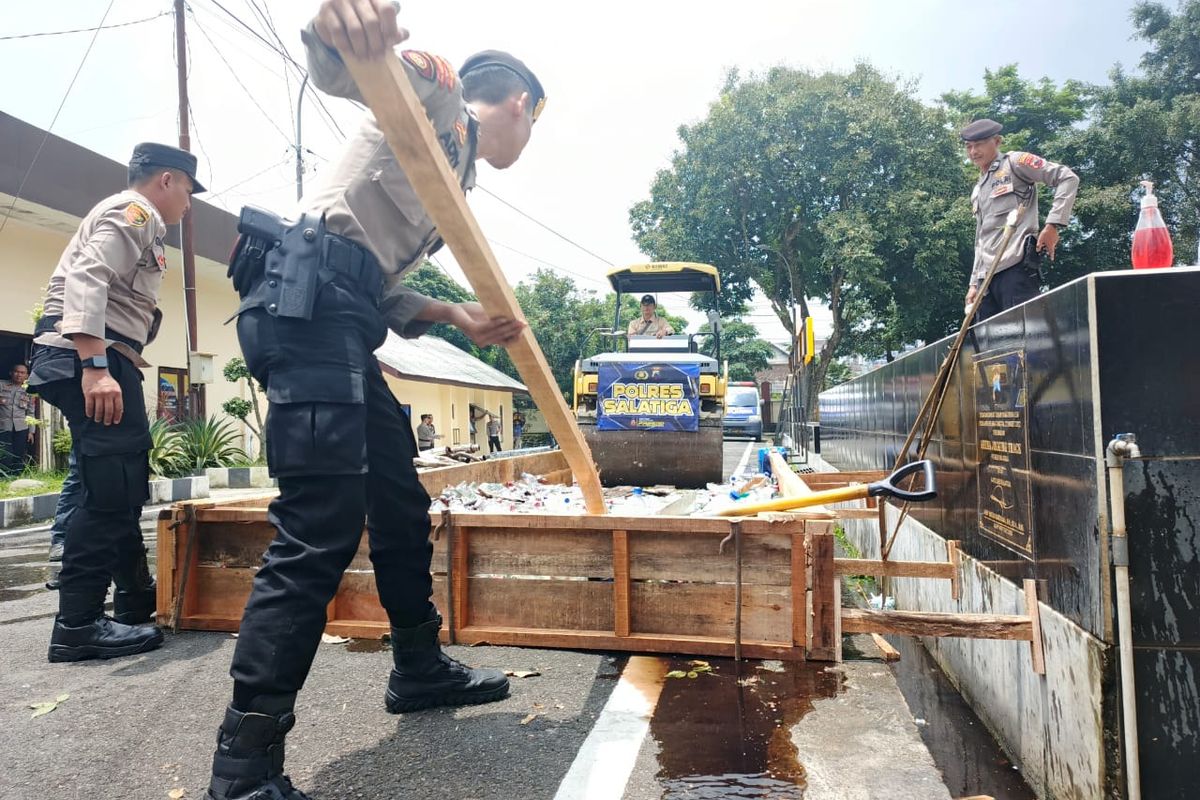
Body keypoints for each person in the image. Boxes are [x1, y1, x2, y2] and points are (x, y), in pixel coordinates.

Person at [206, 3, 543, 797]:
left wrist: (454, 314)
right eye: (534, 123)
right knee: (319, 528)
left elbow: (376, 280)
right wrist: (336, 31)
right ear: (521, 104)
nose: (528, 137)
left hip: (343, 315)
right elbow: (356, 67)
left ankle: (418, 668)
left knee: (397, 501)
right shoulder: (443, 97)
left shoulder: (455, 174)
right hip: (307, 306)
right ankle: (244, 765)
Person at [27, 142, 202, 662]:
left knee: (121, 483)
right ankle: (77, 625)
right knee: (107, 492)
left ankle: (133, 597)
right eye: (188, 189)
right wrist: (95, 366)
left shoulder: (144, 221)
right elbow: (88, 276)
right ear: (166, 180)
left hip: (105, 355)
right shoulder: (135, 211)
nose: (189, 202)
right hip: (89, 356)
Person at [961, 118, 1079, 322]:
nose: (973, 151)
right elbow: (981, 238)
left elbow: (1067, 177)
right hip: (985, 281)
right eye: (969, 146)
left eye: (979, 144)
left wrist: (1053, 225)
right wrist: (973, 283)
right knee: (988, 341)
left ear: (997, 141)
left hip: (1014, 268)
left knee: (1026, 336)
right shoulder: (978, 189)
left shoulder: (1015, 162)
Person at [0, 364, 34, 475]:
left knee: (19, 453)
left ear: (27, 376)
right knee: (5, 452)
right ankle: (4, 476)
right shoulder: (1, 385)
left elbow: (30, 412)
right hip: (3, 426)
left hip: (21, 428)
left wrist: (31, 431)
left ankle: (17, 475)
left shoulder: (29, 390)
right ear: (11, 373)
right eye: (16, 372)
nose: (19, 375)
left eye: (22, 373)